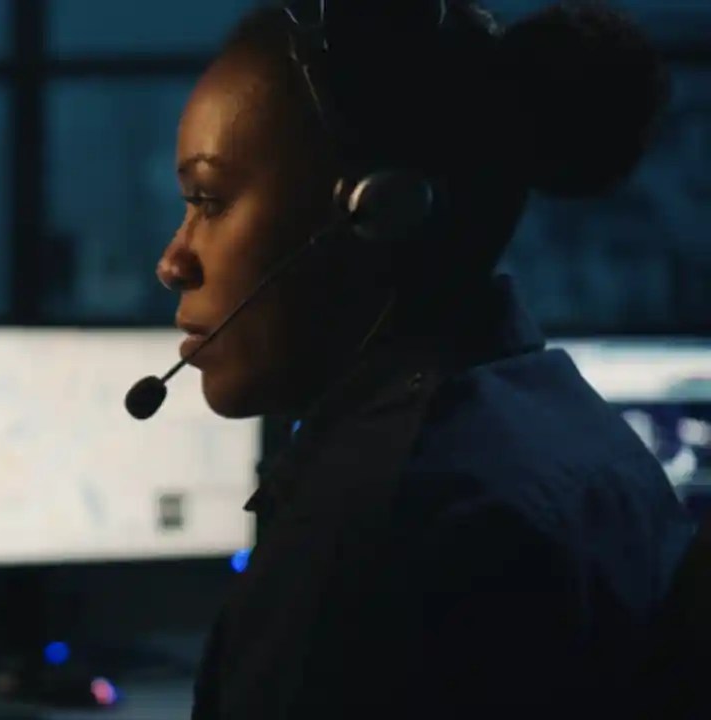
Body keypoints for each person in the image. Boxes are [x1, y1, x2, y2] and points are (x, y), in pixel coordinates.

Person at [153, 1, 698, 717]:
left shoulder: (388, 536)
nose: (174, 262)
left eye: (209, 200)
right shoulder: (571, 434)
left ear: (378, 210)